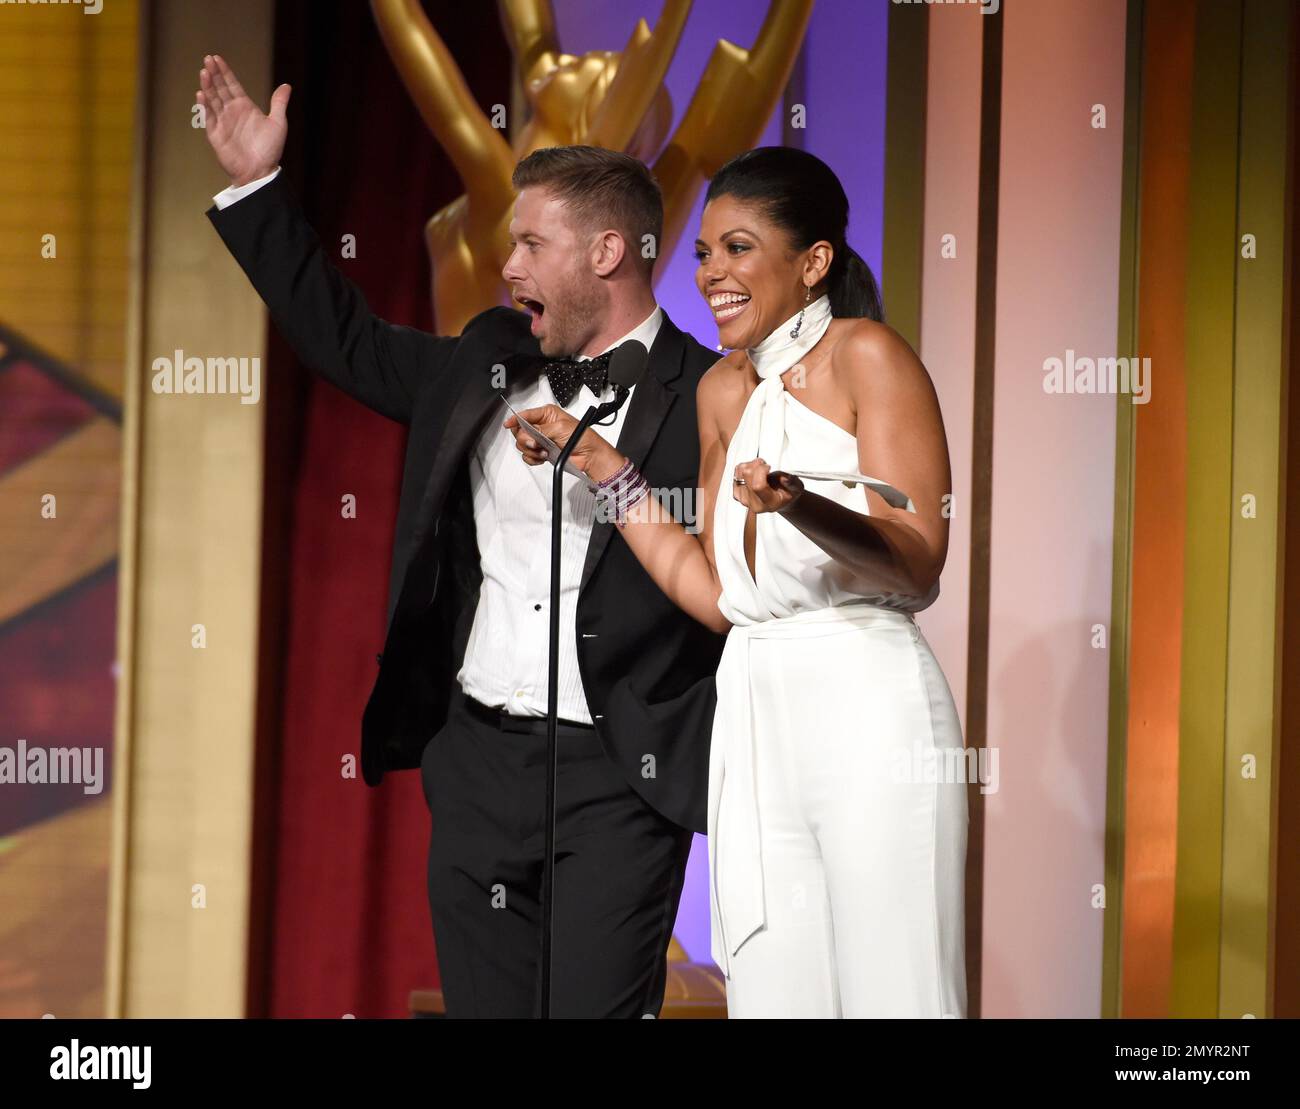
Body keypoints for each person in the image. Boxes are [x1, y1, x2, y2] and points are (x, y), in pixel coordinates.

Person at [196, 55, 726, 1018]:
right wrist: (254, 187)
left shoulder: (712, 396)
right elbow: (344, 338)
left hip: (621, 778)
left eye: (531, 244)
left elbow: (733, 578)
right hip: (477, 764)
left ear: (607, 252)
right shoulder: (486, 363)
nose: (507, 264)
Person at [506, 146, 969, 1018]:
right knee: (772, 991)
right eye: (705, 253)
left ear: (814, 261)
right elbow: (717, 593)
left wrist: (801, 507)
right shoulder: (723, 389)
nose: (712, 272)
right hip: (752, 711)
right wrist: (600, 460)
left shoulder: (867, 354)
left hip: (866, 691)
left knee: (895, 989)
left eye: (739, 248)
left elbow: (919, 559)